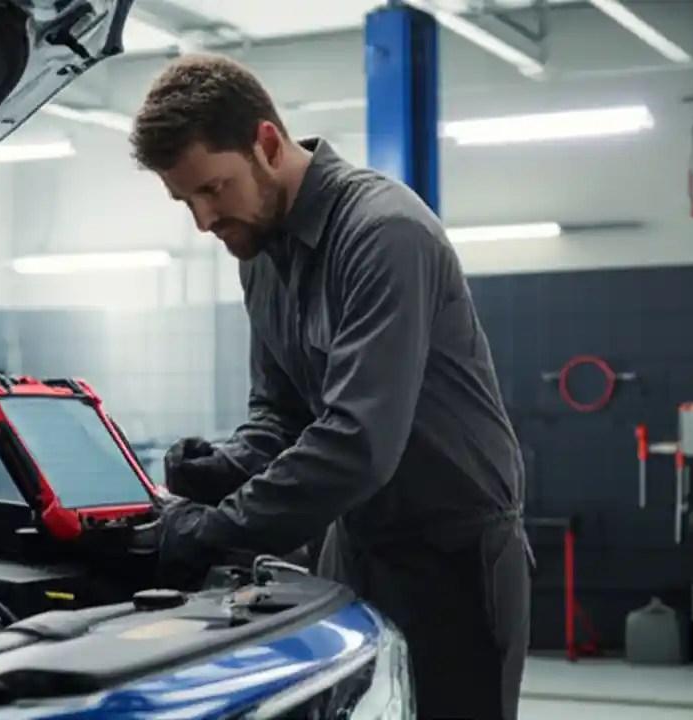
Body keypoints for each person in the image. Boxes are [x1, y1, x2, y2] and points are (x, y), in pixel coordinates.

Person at [129, 53, 532, 720]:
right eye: (185, 200)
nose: (203, 221)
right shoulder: (259, 253)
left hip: (452, 559)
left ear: (266, 142)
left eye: (214, 189)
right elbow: (280, 413)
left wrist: (212, 531)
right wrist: (221, 469)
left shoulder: (383, 233)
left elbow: (357, 440)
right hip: (356, 543)